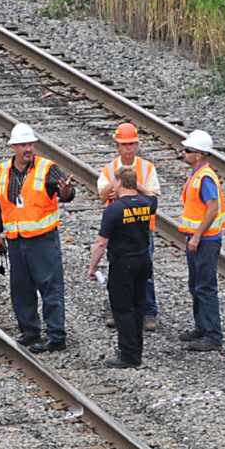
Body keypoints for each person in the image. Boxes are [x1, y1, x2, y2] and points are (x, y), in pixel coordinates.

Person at [0, 122, 76, 353]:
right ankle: (30, 331)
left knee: (50, 288)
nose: (28, 149)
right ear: (14, 147)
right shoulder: (3, 171)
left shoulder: (47, 168)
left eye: (30, 144)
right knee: (21, 288)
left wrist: (66, 191)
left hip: (42, 241)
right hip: (16, 241)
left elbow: (66, 194)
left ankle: (56, 335)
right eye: (23, 145)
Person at [86, 173, 157, 368]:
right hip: (144, 261)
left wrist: (92, 267)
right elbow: (150, 194)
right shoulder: (147, 203)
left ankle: (128, 355)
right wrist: (137, 185)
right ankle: (137, 351)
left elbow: (101, 243)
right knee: (138, 305)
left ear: (119, 182)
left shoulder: (114, 210)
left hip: (122, 264)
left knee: (122, 309)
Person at [95, 122, 160, 331]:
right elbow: (103, 193)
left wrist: (129, 185)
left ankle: (148, 311)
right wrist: (132, 190)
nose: (128, 148)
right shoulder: (108, 169)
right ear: (117, 146)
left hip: (142, 228)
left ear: (137, 144)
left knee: (145, 270)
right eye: (124, 144)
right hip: (118, 229)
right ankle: (117, 308)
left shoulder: (147, 168)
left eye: (132, 144)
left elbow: (153, 195)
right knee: (117, 271)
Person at [177, 129, 225, 352]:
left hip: (206, 240)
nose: (183, 153)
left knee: (205, 287)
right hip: (200, 239)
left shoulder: (205, 177)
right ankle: (201, 326)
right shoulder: (198, 175)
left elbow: (213, 208)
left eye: (187, 150)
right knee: (196, 285)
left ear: (198, 154)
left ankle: (212, 334)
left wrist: (197, 235)